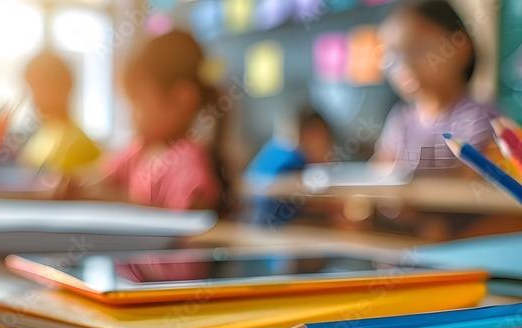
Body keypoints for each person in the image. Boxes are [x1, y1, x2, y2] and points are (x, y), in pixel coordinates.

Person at [102, 30, 224, 211]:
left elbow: (192, 213)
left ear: (181, 100)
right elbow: (101, 178)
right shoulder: (138, 152)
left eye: (138, 102)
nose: (132, 115)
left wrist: (115, 200)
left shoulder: (186, 161)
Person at [373, 0, 496, 173]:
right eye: (393, 55)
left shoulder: (479, 120)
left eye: (417, 50)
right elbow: (379, 176)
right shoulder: (400, 121)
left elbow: (474, 182)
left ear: (460, 46)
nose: (405, 65)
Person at [19, 51, 102, 199]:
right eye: (32, 89)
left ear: (65, 87)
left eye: (42, 88)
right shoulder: (41, 138)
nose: (35, 98)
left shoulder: (76, 143)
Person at [244, 108, 333, 226]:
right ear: (312, 134)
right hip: (272, 231)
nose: (329, 152)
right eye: (325, 143)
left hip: (252, 223)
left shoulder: (275, 149)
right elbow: (307, 205)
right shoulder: (294, 162)